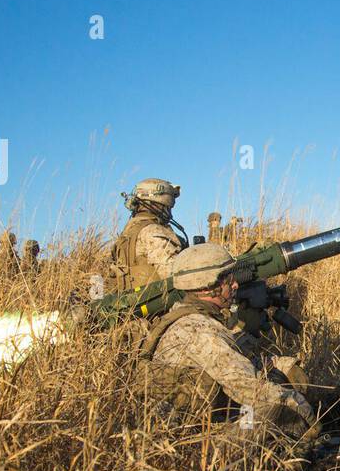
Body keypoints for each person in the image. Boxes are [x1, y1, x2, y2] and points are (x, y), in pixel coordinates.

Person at [144, 242, 314, 442]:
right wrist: (303, 409)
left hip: (204, 423)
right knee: (275, 411)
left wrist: (284, 366)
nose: (235, 285)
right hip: (192, 438)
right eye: (228, 280)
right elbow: (249, 388)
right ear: (208, 287)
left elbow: (243, 362)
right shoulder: (199, 330)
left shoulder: (196, 318)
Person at [108, 178, 186, 292]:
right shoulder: (153, 230)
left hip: (131, 299)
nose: (169, 212)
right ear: (162, 204)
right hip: (157, 300)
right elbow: (173, 276)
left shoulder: (129, 230)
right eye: (169, 207)